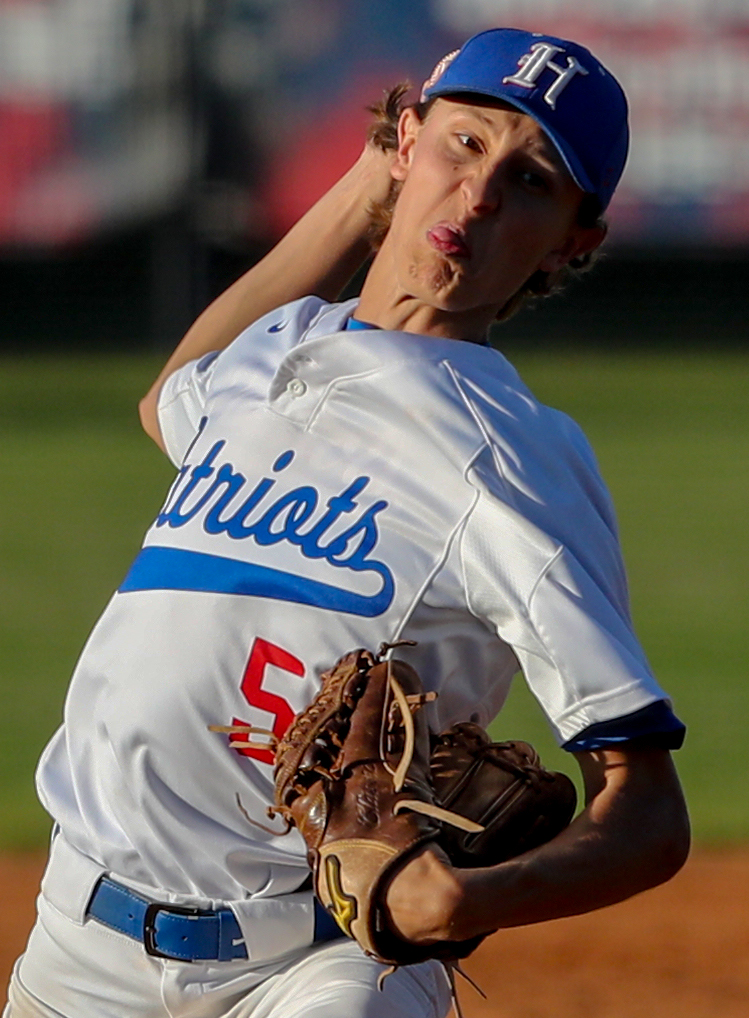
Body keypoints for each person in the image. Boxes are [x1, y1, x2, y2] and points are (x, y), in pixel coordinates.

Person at [6, 26, 689, 1018]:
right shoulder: (275, 348)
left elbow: (647, 813)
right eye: (464, 142)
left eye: (532, 181)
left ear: (572, 241)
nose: (482, 193)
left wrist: (467, 896)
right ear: (403, 142)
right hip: (79, 937)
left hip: (320, 960)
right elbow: (169, 403)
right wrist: (367, 186)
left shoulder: (511, 462)